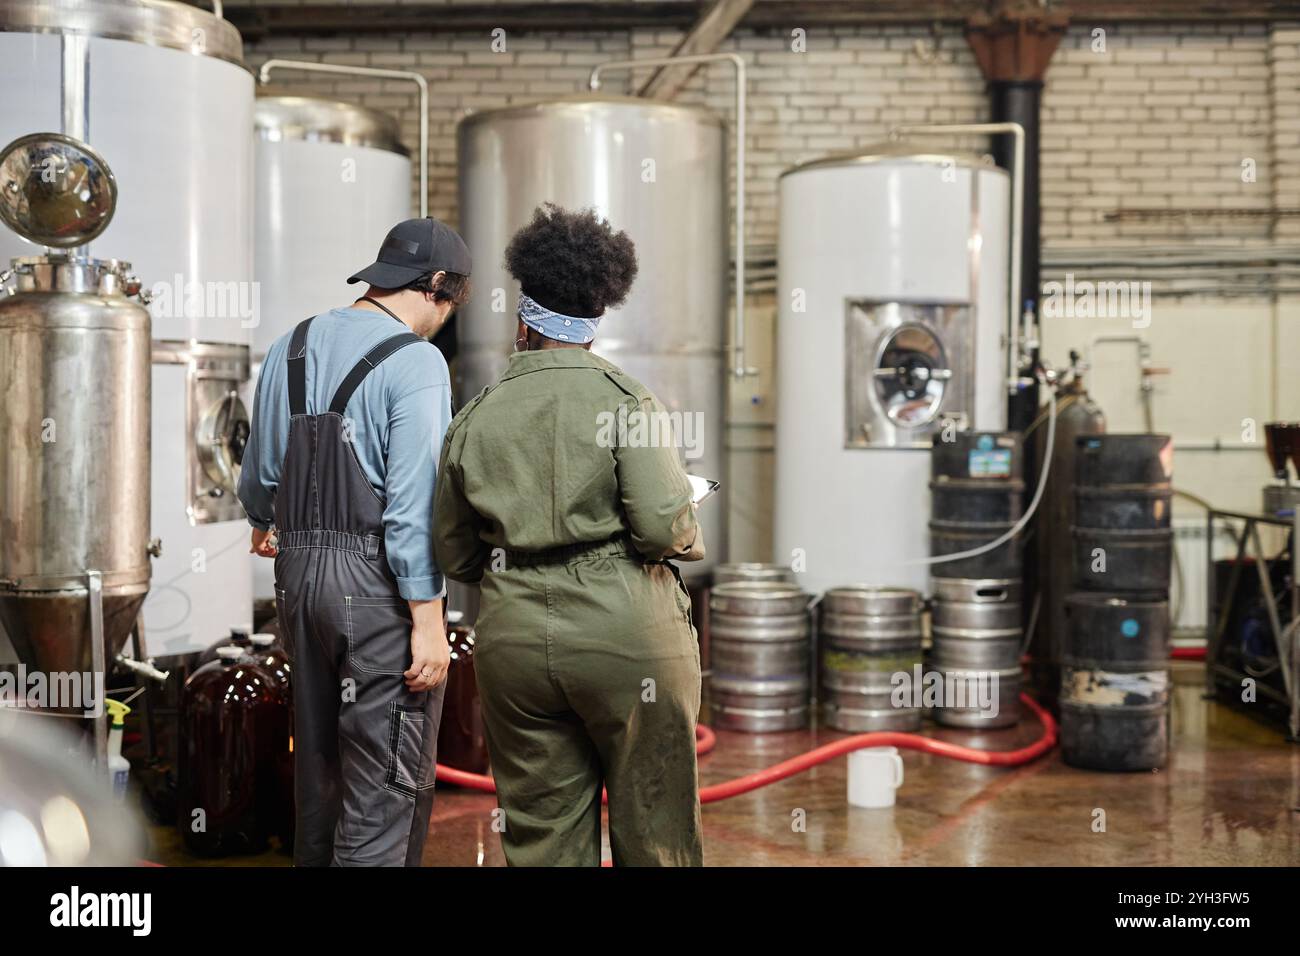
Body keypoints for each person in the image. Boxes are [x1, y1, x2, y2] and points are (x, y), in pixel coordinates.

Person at [434, 204, 705, 866]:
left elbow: (455, 551)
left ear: (524, 322)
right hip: (627, 638)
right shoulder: (626, 399)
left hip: (516, 645)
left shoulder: (474, 417)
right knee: (657, 823)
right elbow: (660, 525)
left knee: (540, 830)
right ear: (591, 326)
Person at [237, 217, 470, 866]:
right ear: (438, 288)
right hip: (375, 593)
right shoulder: (418, 362)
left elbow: (259, 472)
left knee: (319, 772)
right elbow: (413, 505)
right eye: (451, 304)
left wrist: (265, 520)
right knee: (384, 788)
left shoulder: (290, 346)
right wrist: (428, 619)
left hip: (297, 581)